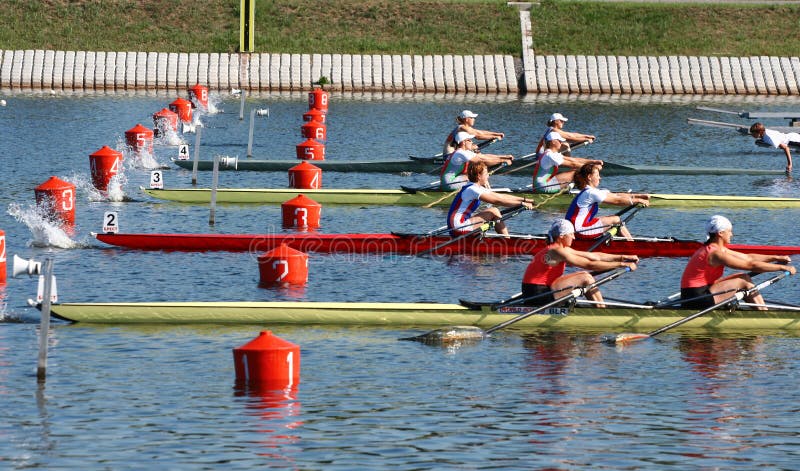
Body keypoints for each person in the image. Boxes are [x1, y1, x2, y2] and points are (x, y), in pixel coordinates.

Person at [680, 215, 795, 310]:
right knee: (742, 282)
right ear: (720, 233)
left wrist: (776, 257)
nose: (732, 235)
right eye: (729, 231)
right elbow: (751, 265)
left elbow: (748, 258)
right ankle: (764, 315)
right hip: (695, 299)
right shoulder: (715, 254)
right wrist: (783, 268)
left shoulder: (718, 249)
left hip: (700, 293)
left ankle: (761, 311)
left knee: (743, 277)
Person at [521, 219, 638, 308]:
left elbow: (594, 256)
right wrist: (621, 265)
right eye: (571, 234)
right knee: (585, 277)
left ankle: (598, 308)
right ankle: (602, 311)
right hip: (537, 294)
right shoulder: (556, 251)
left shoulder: (560, 248)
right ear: (561, 236)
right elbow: (589, 265)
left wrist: (623, 257)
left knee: (584, 276)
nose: (574, 237)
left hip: (539, 291)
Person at [565, 163, 650, 240]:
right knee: (615, 219)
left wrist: (638, 196)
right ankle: (631, 245)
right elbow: (617, 201)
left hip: (577, 229)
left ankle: (628, 241)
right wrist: (637, 201)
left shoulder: (590, 191)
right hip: (579, 231)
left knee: (611, 218)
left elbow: (616, 195)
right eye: (597, 175)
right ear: (589, 177)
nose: (600, 178)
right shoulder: (591, 193)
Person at [447, 161, 534, 236]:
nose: (488, 176)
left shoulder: (473, 187)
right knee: (494, 211)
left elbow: (500, 196)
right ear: (479, 176)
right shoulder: (473, 189)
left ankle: (504, 239)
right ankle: (507, 241)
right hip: (458, 227)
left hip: (456, 226)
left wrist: (524, 200)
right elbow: (498, 201)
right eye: (486, 174)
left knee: (493, 211)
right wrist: (521, 204)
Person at [440, 131, 514, 190]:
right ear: (463, 142)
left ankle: (486, 191)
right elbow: (482, 160)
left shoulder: (464, 152)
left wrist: (504, 157)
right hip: (449, 184)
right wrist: (501, 161)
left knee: (478, 174)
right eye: (469, 140)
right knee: (479, 176)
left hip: (449, 182)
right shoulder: (460, 153)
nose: (472, 142)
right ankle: (488, 195)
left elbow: (484, 156)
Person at [532, 134, 603, 194]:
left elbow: (573, 159)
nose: (561, 143)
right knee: (576, 172)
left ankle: (577, 188)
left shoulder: (552, 154)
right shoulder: (550, 155)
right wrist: (593, 168)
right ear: (553, 142)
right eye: (559, 141)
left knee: (575, 171)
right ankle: (588, 192)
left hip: (541, 185)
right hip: (542, 188)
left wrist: (593, 161)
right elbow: (573, 164)